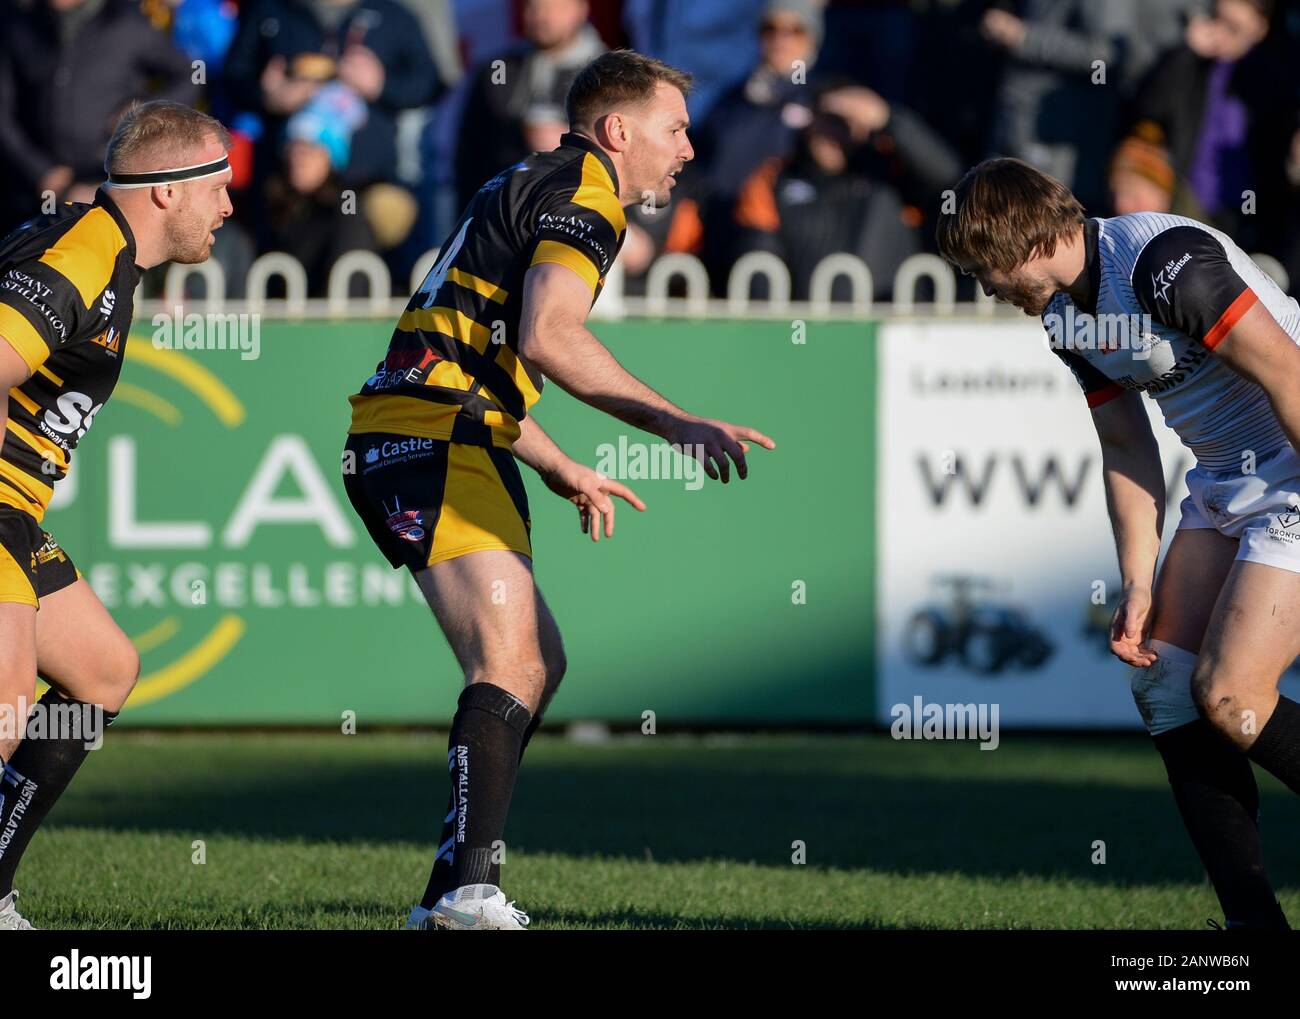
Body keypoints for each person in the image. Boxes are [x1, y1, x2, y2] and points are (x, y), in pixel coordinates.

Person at [342, 49, 775, 930]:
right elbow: (548, 336)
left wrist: (558, 462)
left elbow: (477, 351)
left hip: (452, 428)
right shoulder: (588, 194)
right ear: (619, 131)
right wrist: (675, 420)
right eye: (674, 129)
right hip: (427, 437)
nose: (687, 150)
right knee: (508, 662)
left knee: (539, 659)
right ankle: (468, 892)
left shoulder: (531, 177)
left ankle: (450, 886)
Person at [938, 157, 1300, 930]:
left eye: (981, 269)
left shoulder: (1162, 264)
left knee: (1232, 696)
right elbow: (1127, 448)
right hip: (1223, 480)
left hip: (1294, 463)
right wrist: (1138, 579)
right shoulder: (1066, 318)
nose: (987, 289)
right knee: (1164, 686)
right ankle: (1253, 927)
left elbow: (1289, 375)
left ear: (1016, 241)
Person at [0, 100, 233, 930]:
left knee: (101, 668)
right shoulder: (89, 248)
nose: (230, 206)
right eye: (218, 185)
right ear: (166, 191)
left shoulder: (108, 255)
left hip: (15, 511)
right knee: (2, 712)